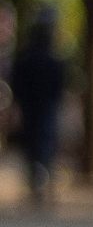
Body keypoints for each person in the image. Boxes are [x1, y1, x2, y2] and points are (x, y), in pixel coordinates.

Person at [9, 12, 65, 210]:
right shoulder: (53, 59)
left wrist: (17, 107)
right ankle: (43, 188)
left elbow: (17, 84)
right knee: (45, 149)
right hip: (45, 109)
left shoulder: (26, 58)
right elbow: (60, 88)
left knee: (33, 150)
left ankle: (37, 187)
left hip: (31, 109)